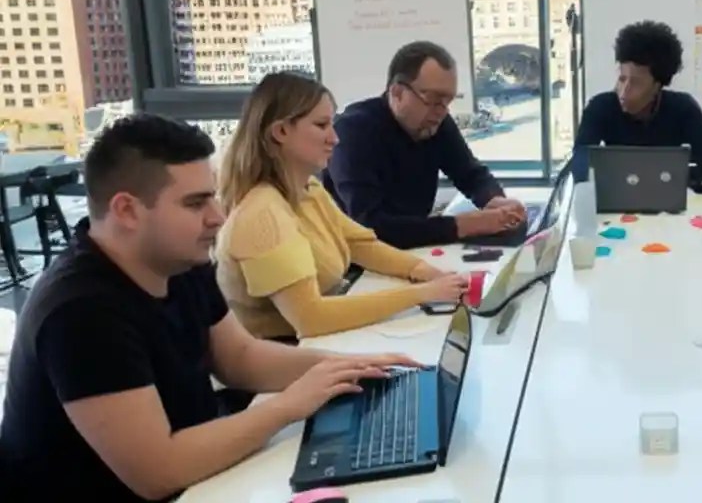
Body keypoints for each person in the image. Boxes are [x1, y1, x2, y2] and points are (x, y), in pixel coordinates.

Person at [0, 114, 421, 501]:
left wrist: (345, 368)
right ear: (127, 210)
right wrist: (291, 404)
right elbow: (158, 472)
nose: (217, 217)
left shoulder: (174, 257)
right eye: (195, 203)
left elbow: (239, 358)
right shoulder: (80, 313)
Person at [216, 72, 468, 340]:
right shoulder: (261, 215)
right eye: (322, 125)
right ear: (280, 132)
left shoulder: (308, 190)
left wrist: (423, 271)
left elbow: (359, 244)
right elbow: (310, 318)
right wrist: (423, 293)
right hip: (282, 359)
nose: (334, 138)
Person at [324, 41, 526, 248]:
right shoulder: (352, 132)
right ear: (397, 92)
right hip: (356, 260)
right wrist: (463, 225)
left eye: (447, 101)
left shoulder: (436, 121)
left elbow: (470, 174)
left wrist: (494, 200)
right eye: (433, 99)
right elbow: (370, 225)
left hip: (414, 247)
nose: (441, 111)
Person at [572, 19, 702, 184]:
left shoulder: (683, 109)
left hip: (670, 204)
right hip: (617, 203)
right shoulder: (600, 107)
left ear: (658, 85)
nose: (624, 91)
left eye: (637, 83)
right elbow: (580, 166)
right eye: (622, 79)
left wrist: (680, 175)